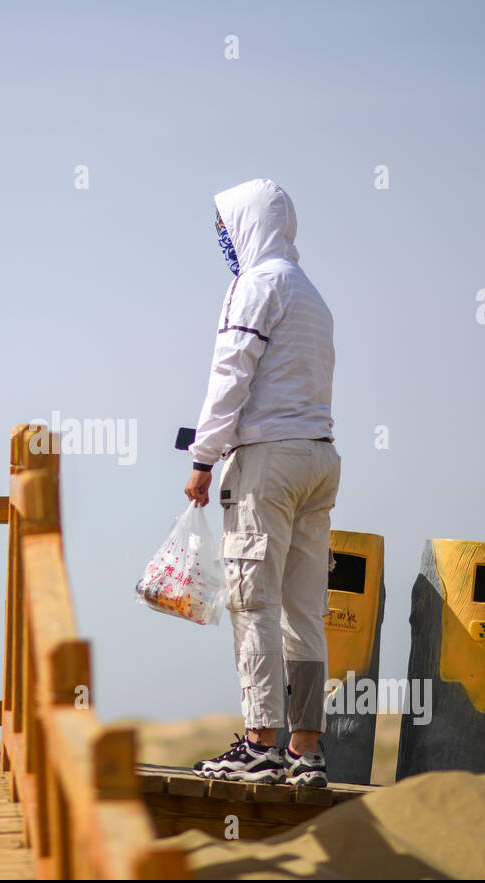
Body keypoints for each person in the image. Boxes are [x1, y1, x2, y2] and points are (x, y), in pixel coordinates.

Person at [184, 178, 339, 787]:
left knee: (253, 601)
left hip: (267, 464)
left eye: (225, 227)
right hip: (320, 458)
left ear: (245, 225)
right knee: (305, 608)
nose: (223, 239)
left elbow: (231, 374)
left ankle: (260, 744)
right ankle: (307, 750)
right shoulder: (312, 295)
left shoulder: (253, 286)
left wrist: (202, 457)